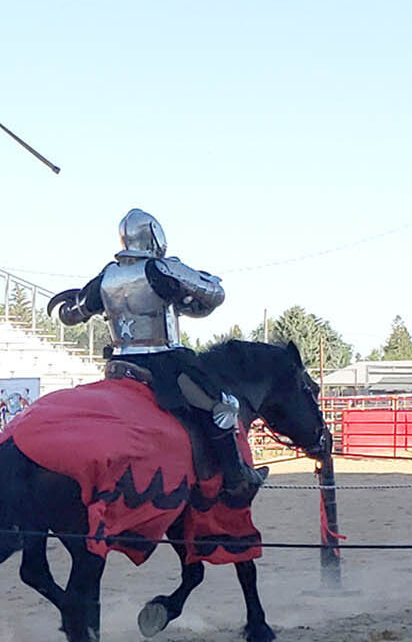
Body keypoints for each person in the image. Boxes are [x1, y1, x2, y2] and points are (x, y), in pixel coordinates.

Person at [47, 208, 263, 496]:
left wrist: (88, 300)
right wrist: (188, 285)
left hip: (119, 363)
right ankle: (236, 478)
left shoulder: (106, 276)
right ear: (154, 237)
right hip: (164, 360)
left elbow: (70, 315)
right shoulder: (162, 268)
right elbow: (214, 294)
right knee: (222, 406)